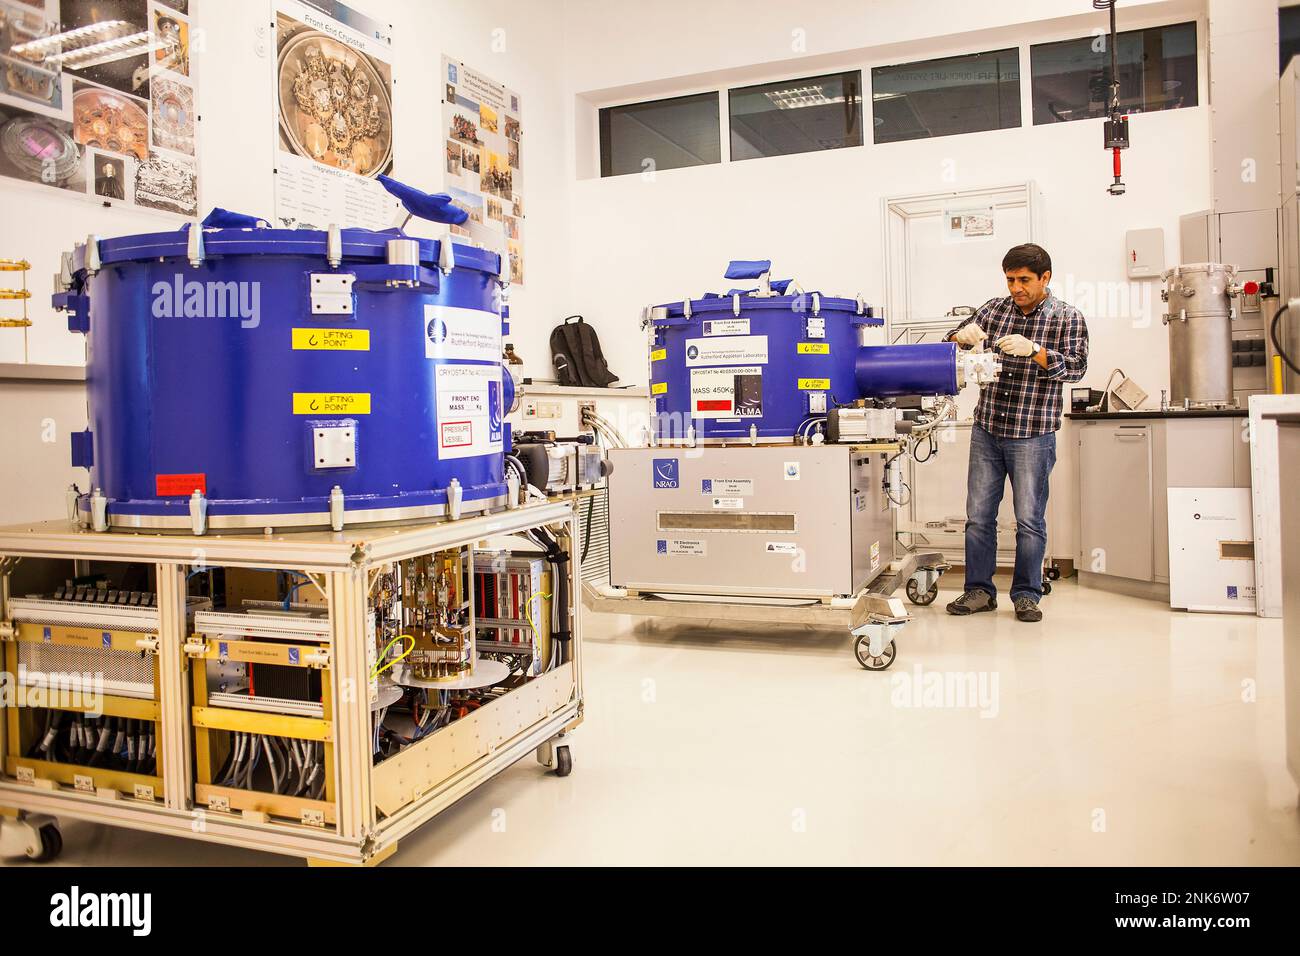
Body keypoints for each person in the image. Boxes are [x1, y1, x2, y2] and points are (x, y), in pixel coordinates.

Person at [943, 243, 1088, 623]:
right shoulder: (994, 309)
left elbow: (1075, 368)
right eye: (1010, 280)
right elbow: (948, 347)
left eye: (1024, 280)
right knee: (978, 516)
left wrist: (1035, 350)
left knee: (1029, 519)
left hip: (1033, 434)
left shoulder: (1065, 317)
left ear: (1045, 278)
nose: (1016, 288)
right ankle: (978, 591)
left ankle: (1026, 593)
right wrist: (961, 336)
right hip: (988, 428)